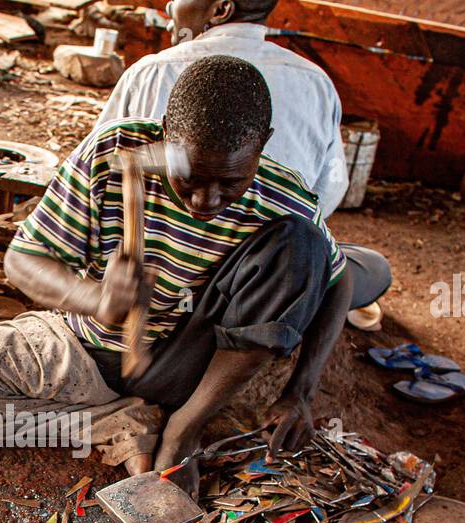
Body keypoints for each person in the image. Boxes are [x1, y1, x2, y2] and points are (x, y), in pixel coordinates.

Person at [0, 56, 353, 487]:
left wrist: (301, 392)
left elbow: (338, 278)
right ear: (166, 132)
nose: (205, 202)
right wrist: (95, 299)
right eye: (188, 178)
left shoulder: (284, 194)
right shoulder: (114, 152)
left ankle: (182, 431)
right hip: (83, 352)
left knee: (301, 243)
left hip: (194, 370)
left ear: (263, 144)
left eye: (230, 182)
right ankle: (114, 424)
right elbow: (21, 261)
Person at [97, 0, 390, 317]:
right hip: (257, 276)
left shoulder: (149, 72)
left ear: (221, 8)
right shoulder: (316, 83)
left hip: (155, 271)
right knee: (370, 267)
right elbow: (328, 190)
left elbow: (102, 167)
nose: (170, 5)